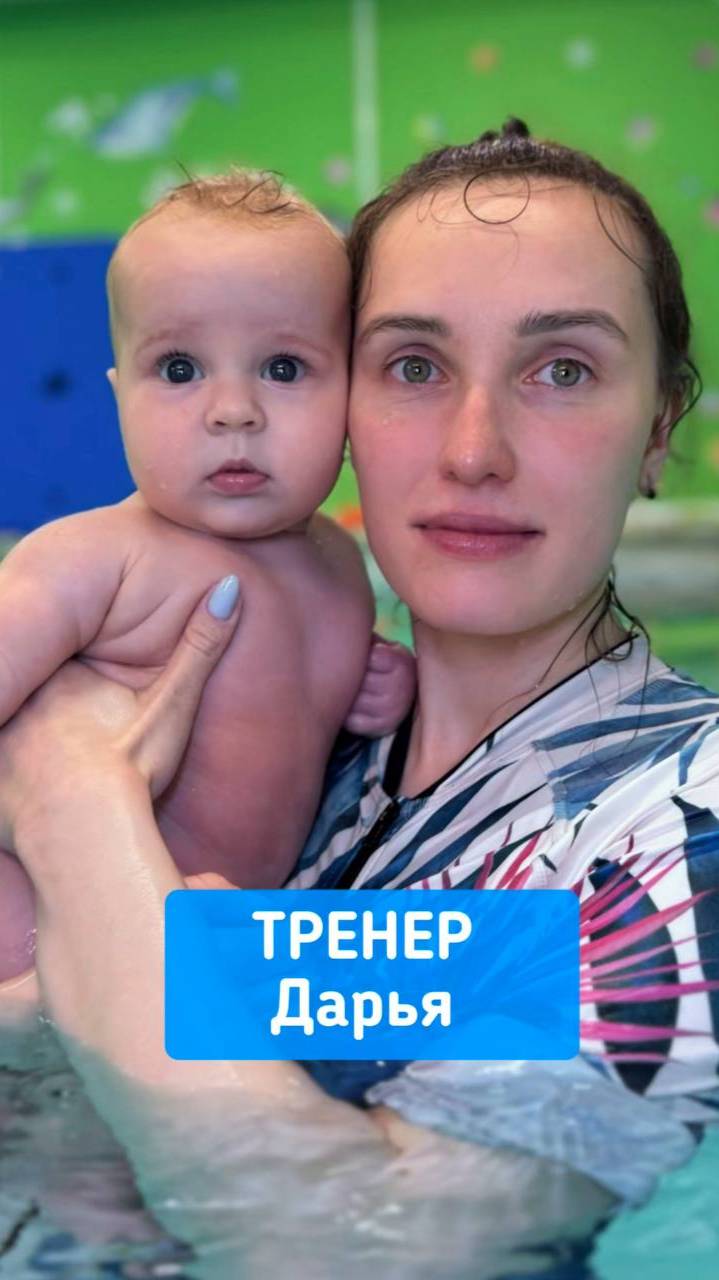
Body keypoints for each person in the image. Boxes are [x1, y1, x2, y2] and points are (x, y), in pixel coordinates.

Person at [2, 119, 719, 1278]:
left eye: (561, 369)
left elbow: (371, 1246)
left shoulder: (676, 824)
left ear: (656, 429)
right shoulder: (313, 744)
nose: (473, 449)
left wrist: (69, 798)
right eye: (414, 366)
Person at [0, 169, 414, 980]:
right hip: (44, 907)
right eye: (180, 369)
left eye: (283, 369)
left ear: (351, 393)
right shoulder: (93, 557)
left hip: (218, 930)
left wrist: (374, 690)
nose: (233, 410)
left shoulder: (339, 565)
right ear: (120, 395)